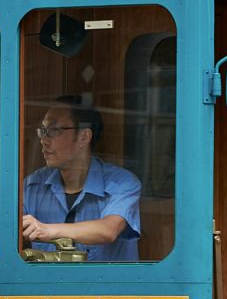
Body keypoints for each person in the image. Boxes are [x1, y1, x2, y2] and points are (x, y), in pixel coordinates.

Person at [9, 99, 143, 261]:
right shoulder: (33, 185)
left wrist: (47, 230)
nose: (43, 140)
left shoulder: (123, 182)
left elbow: (108, 230)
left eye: (54, 130)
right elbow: (5, 239)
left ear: (84, 137)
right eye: (43, 131)